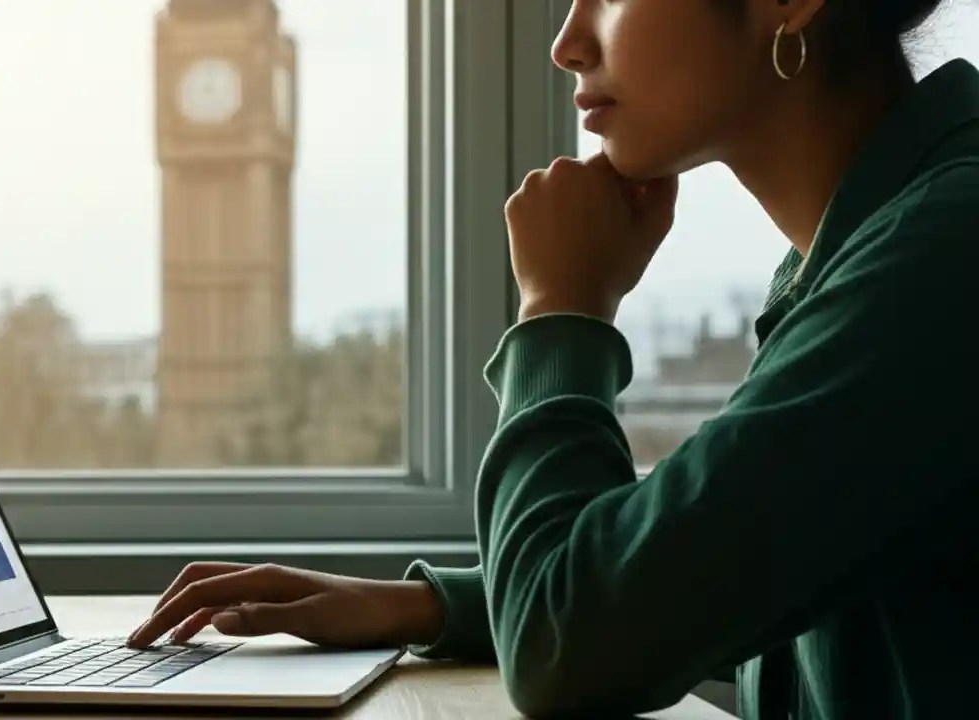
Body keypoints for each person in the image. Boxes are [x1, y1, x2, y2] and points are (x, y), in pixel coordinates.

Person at [129, 0, 979, 717]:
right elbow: (720, 574)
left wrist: (560, 310)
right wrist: (431, 606)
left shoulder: (943, 257)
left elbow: (566, 653)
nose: (567, 41)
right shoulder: (866, 247)